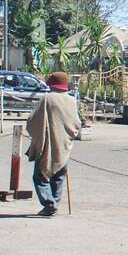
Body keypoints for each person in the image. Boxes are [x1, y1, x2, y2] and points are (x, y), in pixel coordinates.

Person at [25, 71, 82, 217]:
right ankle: (54, 203)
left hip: (47, 144)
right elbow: (76, 124)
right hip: (63, 145)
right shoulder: (71, 100)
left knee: (40, 176)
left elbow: (32, 121)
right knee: (59, 176)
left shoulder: (47, 99)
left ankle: (50, 204)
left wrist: (38, 134)